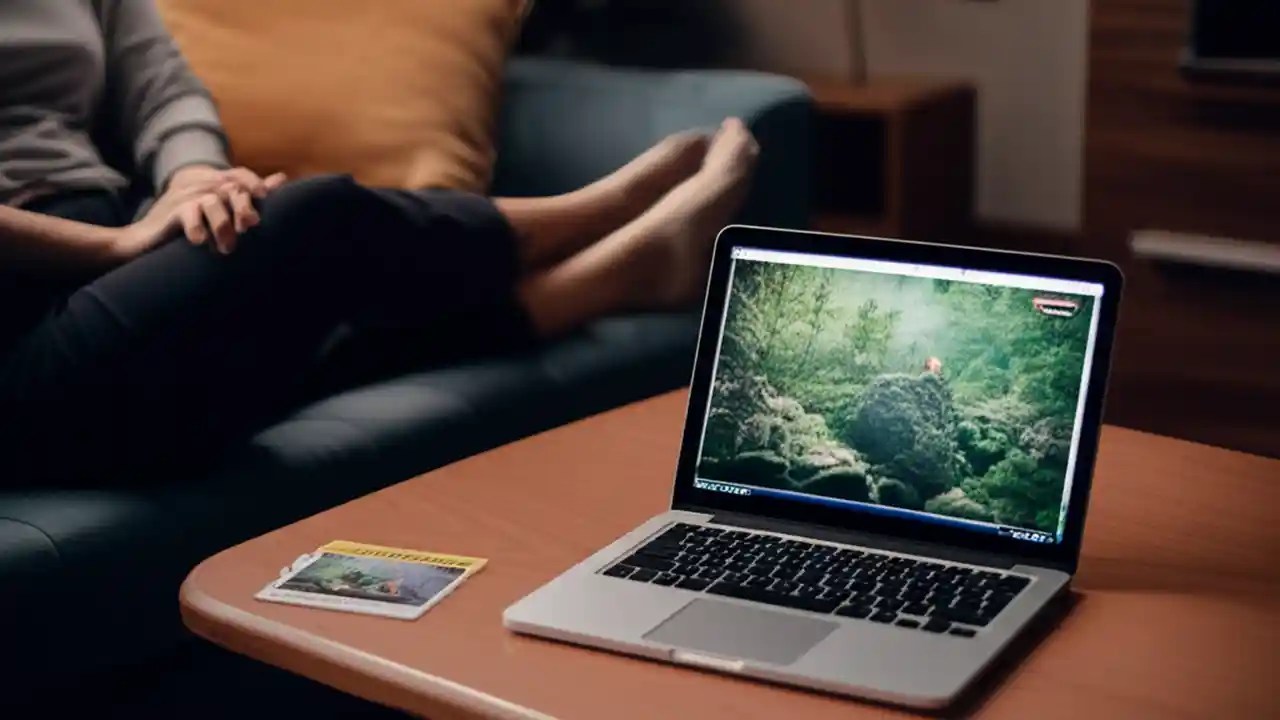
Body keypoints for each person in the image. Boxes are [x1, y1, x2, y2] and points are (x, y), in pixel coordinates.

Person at [0, 0, 759, 485]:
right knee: (310, 218)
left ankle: (623, 273)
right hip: (20, 320)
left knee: (285, 299)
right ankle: (595, 214)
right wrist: (115, 248)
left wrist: (195, 178)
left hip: (107, 246)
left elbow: (162, 89)